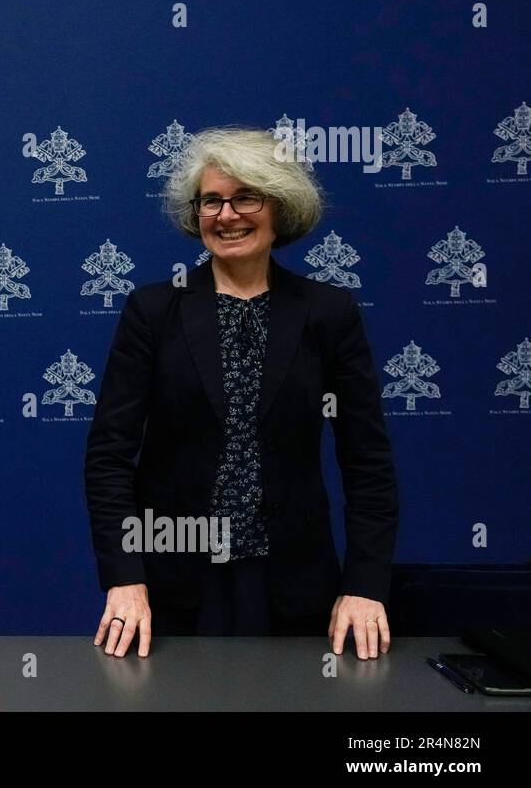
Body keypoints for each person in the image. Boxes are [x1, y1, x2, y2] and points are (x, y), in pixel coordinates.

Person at [85, 127, 399, 659]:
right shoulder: (154, 311)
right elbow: (109, 456)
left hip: (296, 586)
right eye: (212, 201)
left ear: (280, 207)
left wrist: (365, 585)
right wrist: (125, 576)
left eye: (246, 197)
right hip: (173, 586)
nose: (227, 215)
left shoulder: (329, 313)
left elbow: (367, 461)